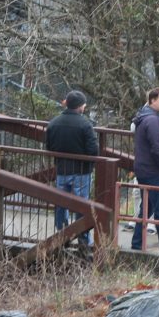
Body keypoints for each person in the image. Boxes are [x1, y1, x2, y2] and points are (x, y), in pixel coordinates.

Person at [45, 90, 100, 248]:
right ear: (81, 106)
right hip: (82, 171)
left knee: (61, 203)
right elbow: (92, 150)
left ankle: (62, 235)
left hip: (62, 169)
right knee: (81, 204)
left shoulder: (54, 122)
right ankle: (83, 237)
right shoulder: (85, 124)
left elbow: (49, 146)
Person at [129, 87, 159, 253]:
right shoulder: (154, 121)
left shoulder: (144, 118)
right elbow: (158, 148)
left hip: (144, 170)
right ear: (152, 101)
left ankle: (136, 243)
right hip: (155, 171)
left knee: (146, 208)